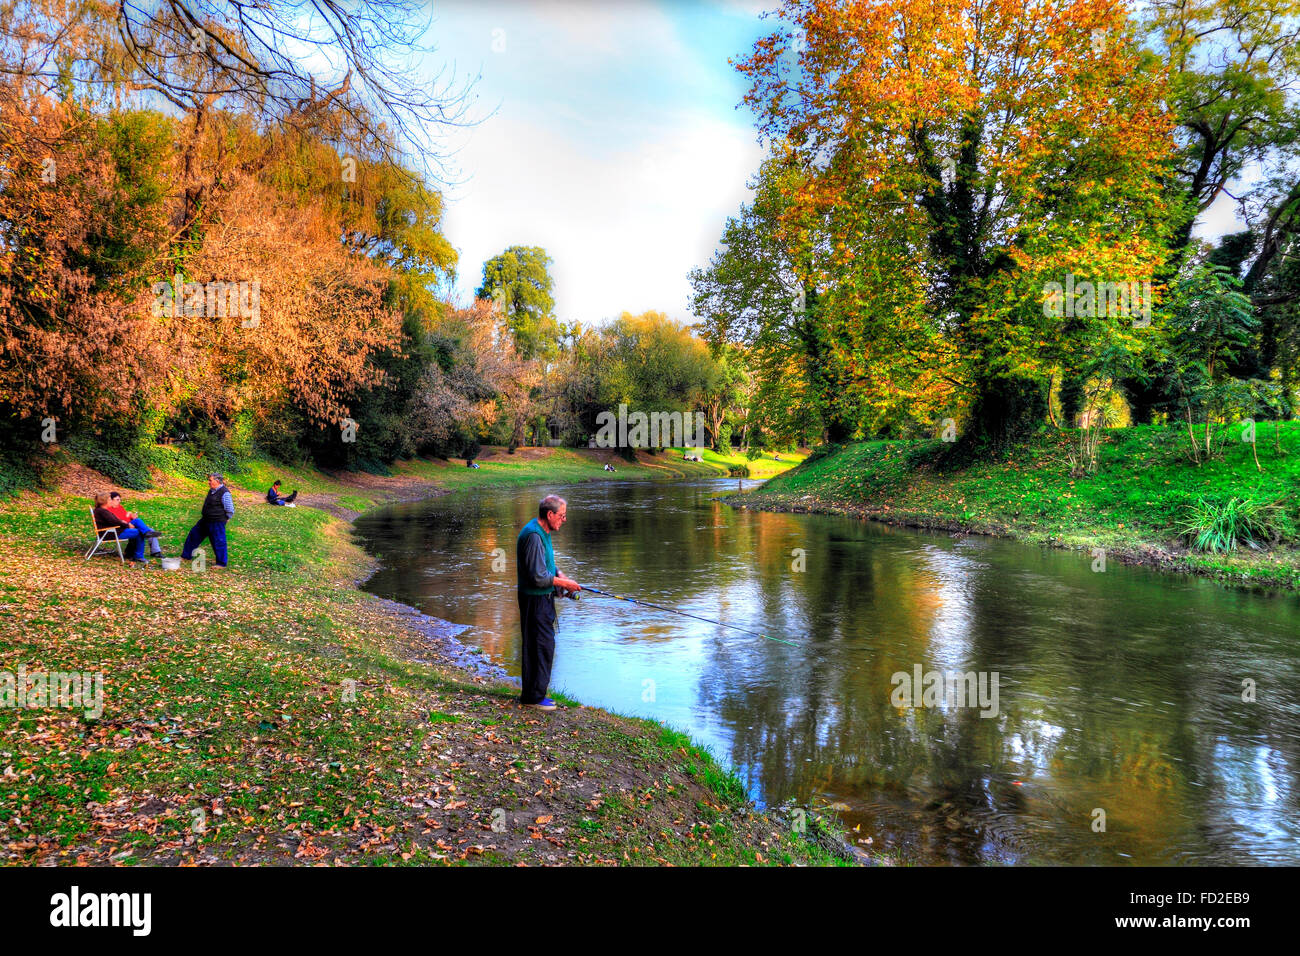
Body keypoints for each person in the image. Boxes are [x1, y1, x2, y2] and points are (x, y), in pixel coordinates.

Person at [516, 495, 581, 711]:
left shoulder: (543, 531)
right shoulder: (534, 535)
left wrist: (559, 575)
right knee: (540, 646)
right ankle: (533, 698)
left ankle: (534, 694)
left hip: (540, 598)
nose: (564, 520)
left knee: (543, 645)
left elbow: (545, 566)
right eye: (562, 516)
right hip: (535, 600)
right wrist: (565, 583)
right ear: (550, 514)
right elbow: (537, 577)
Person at [182, 473, 234, 568]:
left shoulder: (225, 493)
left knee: (218, 541)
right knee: (193, 535)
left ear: (217, 481)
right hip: (205, 520)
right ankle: (186, 556)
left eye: (210, 480)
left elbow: (230, 509)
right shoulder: (212, 490)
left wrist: (226, 519)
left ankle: (221, 563)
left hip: (217, 522)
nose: (208, 482)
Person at [91, 492, 153, 563]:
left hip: (114, 530)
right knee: (139, 532)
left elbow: (115, 520)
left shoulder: (101, 510)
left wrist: (124, 521)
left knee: (137, 521)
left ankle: (147, 533)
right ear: (105, 502)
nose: (111, 501)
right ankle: (138, 556)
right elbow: (114, 521)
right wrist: (127, 525)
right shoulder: (103, 511)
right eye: (110, 500)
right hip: (111, 533)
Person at [105, 491, 163, 558]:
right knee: (139, 524)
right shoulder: (109, 510)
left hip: (128, 525)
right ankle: (146, 533)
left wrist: (131, 517)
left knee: (151, 530)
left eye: (120, 499)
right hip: (122, 528)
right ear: (111, 500)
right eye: (117, 499)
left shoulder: (120, 507)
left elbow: (125, 519)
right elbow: (120, 521)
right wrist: (128, 516)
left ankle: (156, 552)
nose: (119, 501)